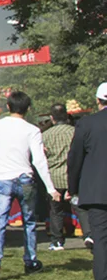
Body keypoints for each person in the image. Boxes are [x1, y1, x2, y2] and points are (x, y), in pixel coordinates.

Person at [0, 90, 56, 280]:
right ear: (28, 108)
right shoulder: (32, 130)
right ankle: (30, 260)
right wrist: (51, 188)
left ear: (8, 106)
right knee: (29, 222)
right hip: (25, 178)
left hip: (2, 179)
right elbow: (39, 160)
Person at [67, 83, 107, 280]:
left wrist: (73, 187)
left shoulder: (87, 123)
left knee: (101, 240)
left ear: (98, 101)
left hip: (97, 191)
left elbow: (75, 159)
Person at [42, 104, 79, 251]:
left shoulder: (45, 135)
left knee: (55, 210)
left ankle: (57, 240)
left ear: (52, 118)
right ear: (67, 116)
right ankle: (89, 235)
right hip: (74, 176)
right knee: (80, 208)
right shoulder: (75, 132)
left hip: (54, 177)